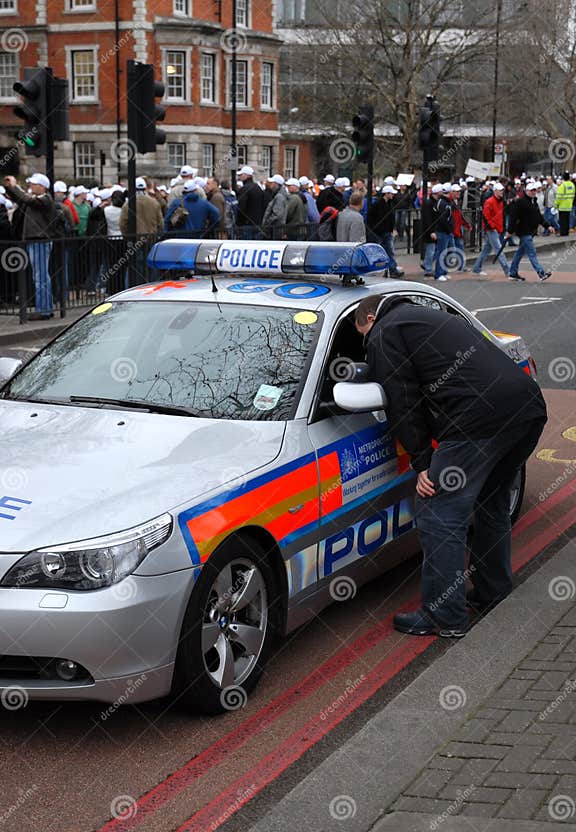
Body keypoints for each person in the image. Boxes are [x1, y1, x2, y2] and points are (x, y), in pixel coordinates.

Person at [354, 293, 547, 637]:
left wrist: (422, 461)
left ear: (369, 319)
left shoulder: (384, 332)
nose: (367, 345)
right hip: (527, 407)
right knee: (491, 502)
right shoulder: (424, 316)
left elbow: (402, 399)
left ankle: (444, 615)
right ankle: (493, 591)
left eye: (363, 337)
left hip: (477, 422)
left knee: (438, 510)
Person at [4, 173, 56, 319]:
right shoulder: (36, 199)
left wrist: (15, 186)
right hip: (35, 241)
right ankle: (46, 308)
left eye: (33, 184)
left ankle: (44, 310)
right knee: (39, 276)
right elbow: (21, 199)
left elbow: (26, 199)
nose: (31, 186)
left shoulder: (45, 200)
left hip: (40, 241)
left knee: (40, 277)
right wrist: (9, 188)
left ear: (42, 187)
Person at [506, 181, 552, 282]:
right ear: (526, 191)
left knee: (520, 253)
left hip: (530, 231)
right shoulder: (520, 202)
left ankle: (512, 273)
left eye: (534, 190)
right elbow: (513, 217)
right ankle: (541, 273)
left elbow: (539, 217)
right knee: (532, 253)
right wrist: (510, 231)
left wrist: (547, 226)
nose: (533, 192)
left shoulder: (533, 202)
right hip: (524, 231)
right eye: (531, 190)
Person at [471, 182, 510, 277]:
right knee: (498, 249)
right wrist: (492, 227)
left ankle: (476, 268)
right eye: (500, 190)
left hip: (496, 228)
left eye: (502, 190)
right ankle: (508, 270)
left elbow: (501, 215)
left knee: (487, 249)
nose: (502, 192)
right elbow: (486, 216)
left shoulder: (500, 201)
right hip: (492, 229)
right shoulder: (490, 202)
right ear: (495, 191)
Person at [367, 185, 404, 277]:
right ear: (387, 194)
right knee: (386, 251)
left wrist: (392, 228)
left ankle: (391, 269)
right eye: (391, 193)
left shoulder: (387, 203)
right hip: (380, 232)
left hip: (384, 231)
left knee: (388, 251)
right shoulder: (379, 204)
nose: (393, 195)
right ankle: (389, 270)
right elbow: (372, 219)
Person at [431, 183, 453, 281]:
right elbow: (442, 219)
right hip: (442, 231)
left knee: (444, 252)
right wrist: (448, 229)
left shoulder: (444, 202)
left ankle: (443, 272)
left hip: (445, 230)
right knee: (442, 252)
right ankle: (438, 273)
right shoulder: (443, 203)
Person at [236, 165, 265, 237]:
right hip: (258, 223)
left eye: (241, 175)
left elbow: (241, 208)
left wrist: (238, 222)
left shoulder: (244, 189)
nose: (239, 177)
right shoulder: (258, 188)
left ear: (247, 175)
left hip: (246, 224)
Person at [261, 175, 288, 239]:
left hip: (275, 230)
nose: (271, 184)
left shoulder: (279, 196)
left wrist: (267, 223)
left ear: (276, 184)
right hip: (276, 229)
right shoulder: (279, 194)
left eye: (272, 183)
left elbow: (277, 214)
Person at [554, 171, 574, 236]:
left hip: (562, 206)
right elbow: (573, 195)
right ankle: (566, 232)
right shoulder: (572, 185)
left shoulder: (562, 185)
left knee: (562, 220)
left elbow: (559, 197)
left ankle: (563, 233)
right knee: (567, 219)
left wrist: (556, 205)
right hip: (569, 205)